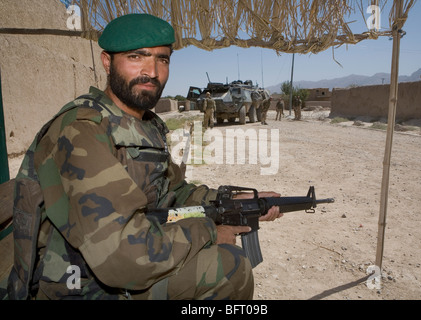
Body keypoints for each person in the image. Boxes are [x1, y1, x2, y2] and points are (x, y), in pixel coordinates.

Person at [1, 13, 282, 300]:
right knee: (229, 268)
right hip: (78, 283)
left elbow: (174, 192)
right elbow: (122, 255)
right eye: (137, 57)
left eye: (163, 59)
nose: (153, 71)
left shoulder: (147, 125)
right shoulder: (81, 130)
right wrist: (210, 231)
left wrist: (231, 202)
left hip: (113, 265)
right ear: (107, 62)